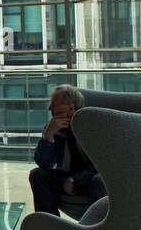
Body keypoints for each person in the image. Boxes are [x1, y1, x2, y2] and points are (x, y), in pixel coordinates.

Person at [29, 84, 106, 215]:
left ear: (71, 108)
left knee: (99, 181)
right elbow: (44, 164)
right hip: (64, 178)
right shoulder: (54, 127)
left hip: (90, 179)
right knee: (38, 175)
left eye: (54, 104)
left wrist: (76, 180)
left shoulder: (93, 127)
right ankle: (50, 228)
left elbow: (103, 164)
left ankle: (100, 229)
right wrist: (48, 137)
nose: (49, 108)